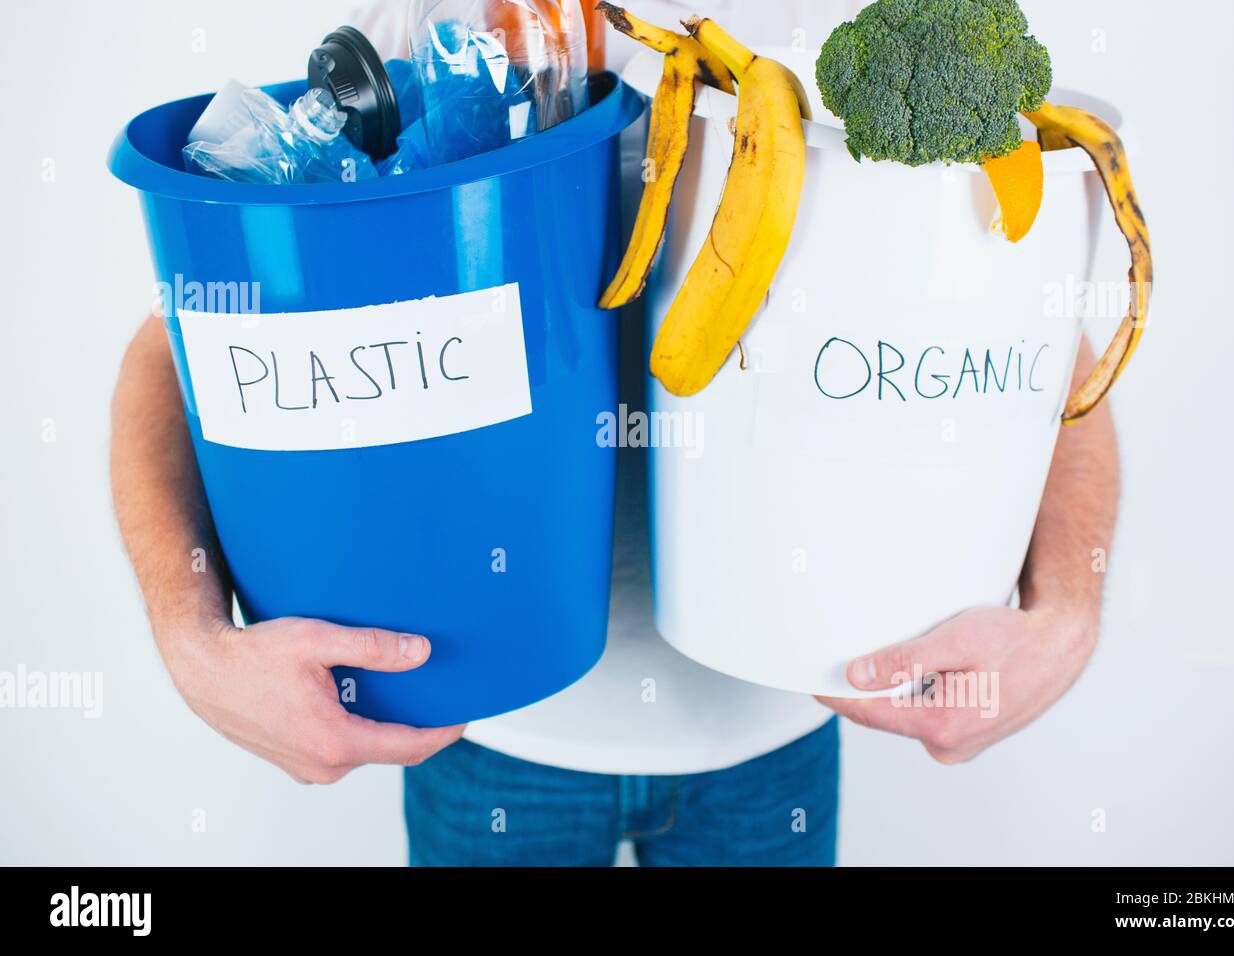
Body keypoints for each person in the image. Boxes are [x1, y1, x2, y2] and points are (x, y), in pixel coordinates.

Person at [110, 0, 1118, 866]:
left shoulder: (856, 29)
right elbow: (192, 333)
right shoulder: (436, 26)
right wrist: (191, 637)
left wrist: (1063, 617)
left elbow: (1021, 325)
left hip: (785, 716)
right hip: (479, 724)